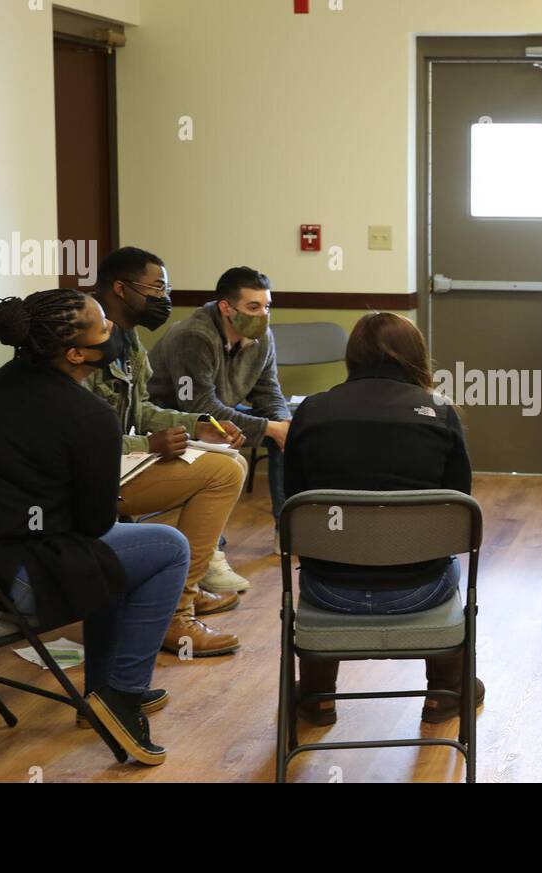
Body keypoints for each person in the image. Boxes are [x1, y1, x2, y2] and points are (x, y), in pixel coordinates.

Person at [0, 289, 188, 766]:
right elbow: (95, 526)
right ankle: (121, 695)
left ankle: (103, 689)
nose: (113, 329)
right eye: (104, 327)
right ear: (76, 354)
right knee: (168, 548)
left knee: (116, 555)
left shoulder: (6, 378)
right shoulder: (91, 416)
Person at [284, 312, 485, 726]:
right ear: (416, 357)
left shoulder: (311, 411)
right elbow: (458, 508)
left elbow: (293, 501)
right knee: (445, 565)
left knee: (324, 563)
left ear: (352, 356)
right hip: (419, 590)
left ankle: (317, 699)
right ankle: (443, 697)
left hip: (328, 591)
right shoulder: (440, 412)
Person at [82, 246, 247, 657]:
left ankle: (177, 591)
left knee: (229, 459)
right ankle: (176, 613)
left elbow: (140, 410)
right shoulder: (83, 344)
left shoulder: (129, 340)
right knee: (224, 473)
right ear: (120, 288)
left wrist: (199, 426)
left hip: (119, 462)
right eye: (157, 287)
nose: (165, 297)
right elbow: (80, 439)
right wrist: (149, 445)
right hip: (89, 481)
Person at [147, 266, 291, 525]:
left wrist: (282, 424)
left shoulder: (261, 336)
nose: (263, 315)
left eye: (267, 307)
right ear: (226, 308)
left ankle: (286, 528)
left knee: (288, 433)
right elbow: (198, 406)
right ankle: (213, 545)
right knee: (262, 432)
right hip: (173, 419)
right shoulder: (193, 336)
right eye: (253, 307)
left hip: (219, 413)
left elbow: (268, 390)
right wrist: (270, 428)